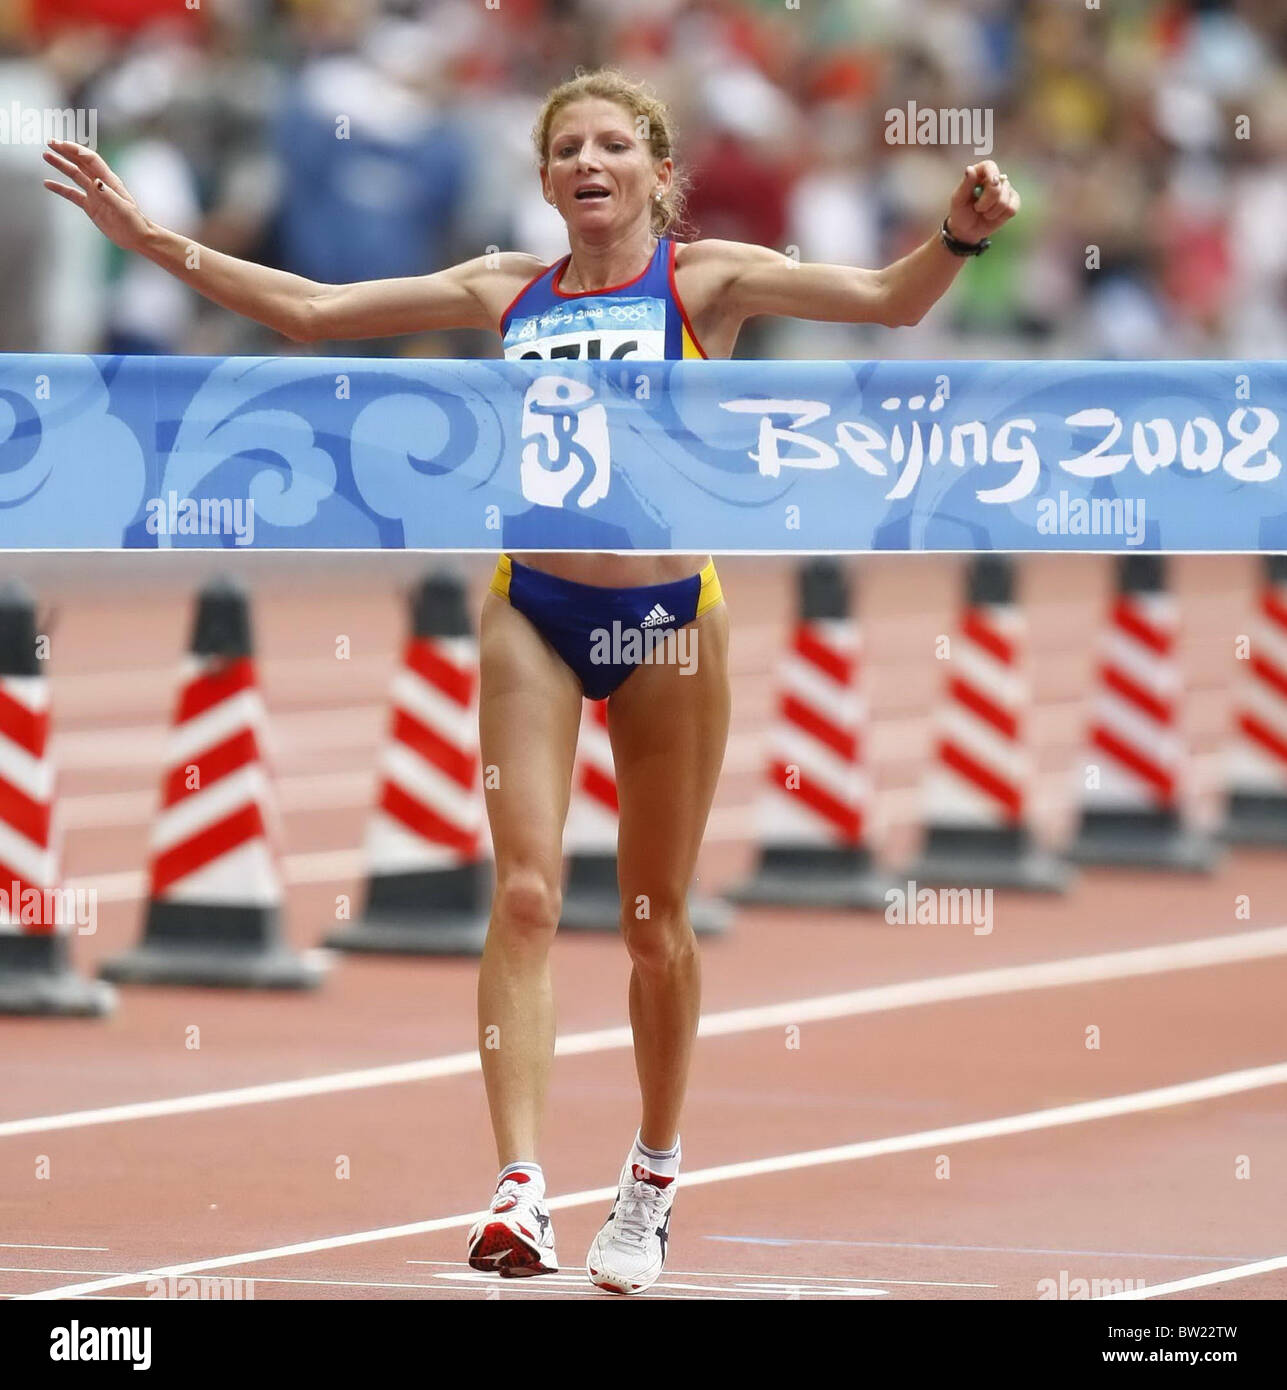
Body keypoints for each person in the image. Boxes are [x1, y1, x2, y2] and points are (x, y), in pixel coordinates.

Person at [43, 67, 1019, 1296]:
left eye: (615, 146)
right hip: (534, 611)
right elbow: (306, 311)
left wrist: (957, 236)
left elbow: (887, 302)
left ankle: (653, 1174)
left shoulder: (708, 278)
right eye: (568, 150)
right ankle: (518, 1187)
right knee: (524, 896)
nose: (588, 164)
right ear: (549, 178)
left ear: (661, 175)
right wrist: (152, 242)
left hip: (669, 621)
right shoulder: (504, 287)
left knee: (657, 926)